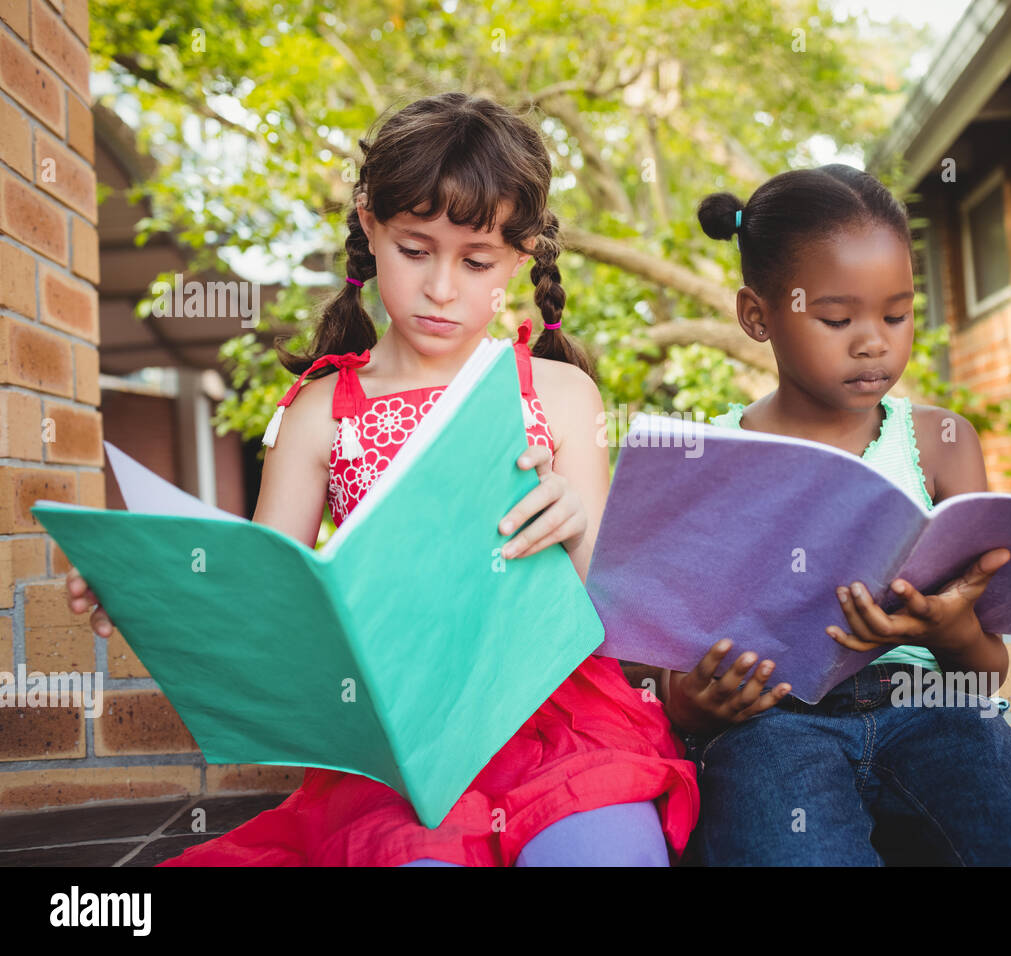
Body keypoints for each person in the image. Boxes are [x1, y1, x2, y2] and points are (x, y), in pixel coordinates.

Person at [65, 91, 698, 867]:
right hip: (401, 740)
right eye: (415, 249)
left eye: (476, 261)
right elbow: (267, 600)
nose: (441, 288)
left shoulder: (559, 393)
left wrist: (576, 526)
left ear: (522, 255)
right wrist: (150, 595)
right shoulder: (322, 409)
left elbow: (615, 613)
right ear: (370, 225)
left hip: (557, 722)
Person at [633, 164, 1011, 866]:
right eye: (837, 318)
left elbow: (986, 673)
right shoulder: (705, 456)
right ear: (756, 315)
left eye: (897, 314)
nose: (873, 341)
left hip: (935, 708)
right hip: (771, 724)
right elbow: (647, 655)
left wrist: (953, 634)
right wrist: (688, 703)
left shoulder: (940, 443)